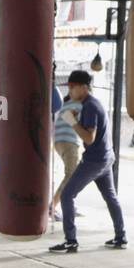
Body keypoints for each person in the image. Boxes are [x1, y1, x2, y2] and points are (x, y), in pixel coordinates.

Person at [48, 70, 126, 254]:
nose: (71, 91)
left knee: (67, 195)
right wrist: (77, 118)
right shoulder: (91, 104)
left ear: (83, 87)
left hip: (95, 160)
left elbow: (89, 138)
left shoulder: (90, 106)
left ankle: (70, 241)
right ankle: (121, 237)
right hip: (106, 157)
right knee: (110, 197)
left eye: (73, 87)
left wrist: (73, 122)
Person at [50, 83, 83, 222]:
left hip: (59, 142)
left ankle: (68, 205)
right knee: (71, 175)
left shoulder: (66, 105)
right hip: (69, 142)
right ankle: (53, 206)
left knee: (74, 175)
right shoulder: (80, 105)